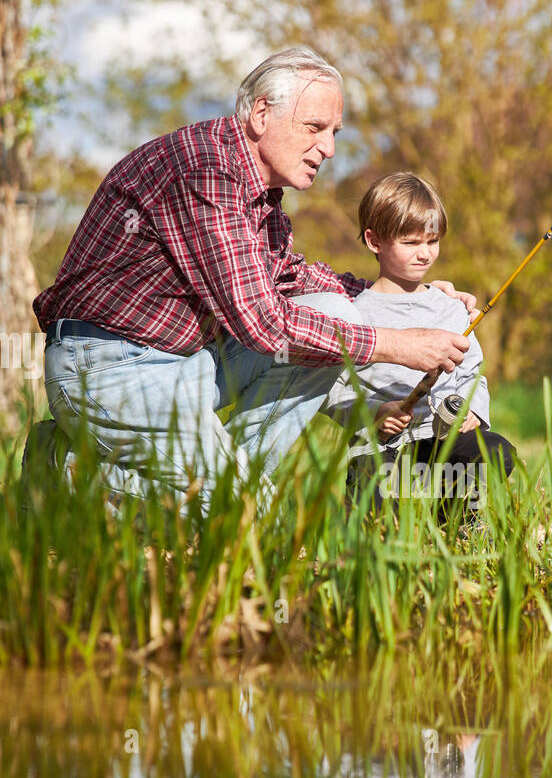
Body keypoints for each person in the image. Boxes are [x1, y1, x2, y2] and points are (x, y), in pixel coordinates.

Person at [23, 47, 478, 511]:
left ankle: (229, 498)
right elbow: (262, 323)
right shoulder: (206, 170)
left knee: (332, 310)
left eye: (334, 133)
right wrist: (396, 344)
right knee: (239, 505)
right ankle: (68, 473)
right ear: (262, 112)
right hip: (109, 368)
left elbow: (290, 278)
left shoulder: (260, 191)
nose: (330, 148)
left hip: (184, 362)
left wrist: (402, 287)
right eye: (315, 128)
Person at [323, 172, 515, 510]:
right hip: (380, 450)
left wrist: (473, 411)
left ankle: (456, 520)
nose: (424, 254)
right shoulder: (351, 314)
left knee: (495, 451)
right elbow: (332, 391)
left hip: (441, 444)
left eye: (432, 241)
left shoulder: (453, 309)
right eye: (411, 243)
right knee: (373, 523)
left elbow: (473, 375)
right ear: (374, 241)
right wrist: (374, 412)